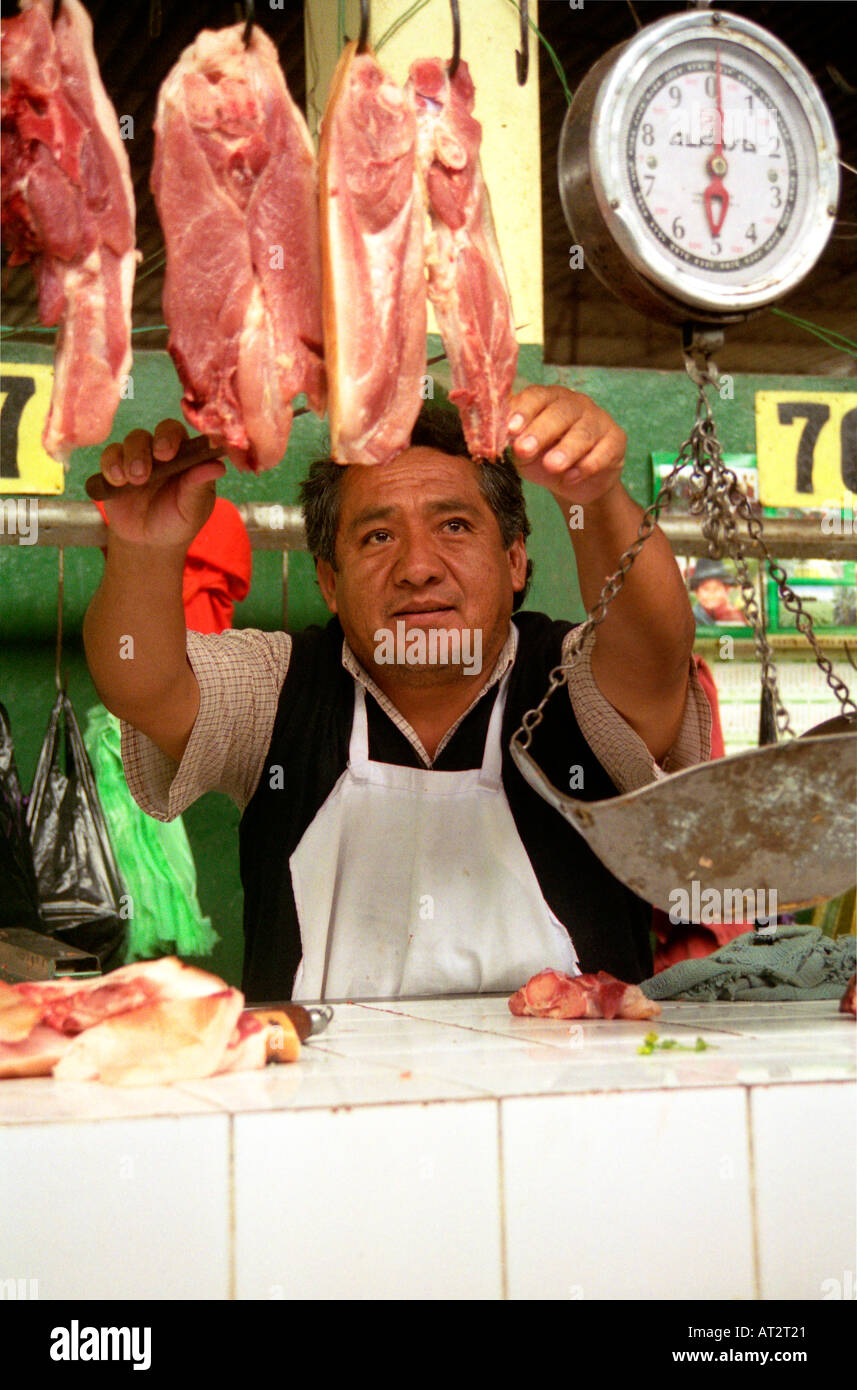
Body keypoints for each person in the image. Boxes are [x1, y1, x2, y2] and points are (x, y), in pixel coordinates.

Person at [83, 385, 711, 1002]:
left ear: (516, 560)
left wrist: (595, 498)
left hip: (577, 1099)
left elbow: (657, 650)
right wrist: (144, 549)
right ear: (329, 583)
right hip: (319, 1099)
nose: (418, 567)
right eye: (378, 537)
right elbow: (144, 686)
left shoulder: (572, 681)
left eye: (455, 526)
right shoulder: (281, 686)